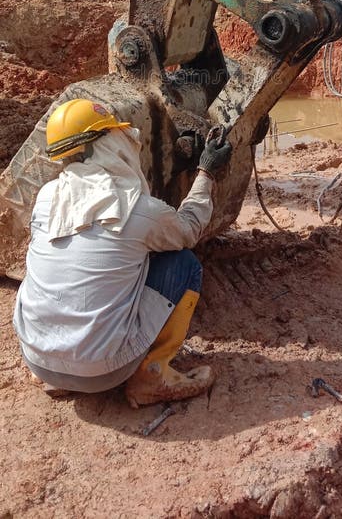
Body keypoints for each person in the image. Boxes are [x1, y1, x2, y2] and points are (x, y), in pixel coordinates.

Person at [13, 99, 231, 406]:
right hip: (105, 371)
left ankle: (56, 374)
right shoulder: (138, 211)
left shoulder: (47, 197)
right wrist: (206, 172)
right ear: (108, 144)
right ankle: (151, 376)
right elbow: (189, 229)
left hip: (38, 359)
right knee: (183, 264)